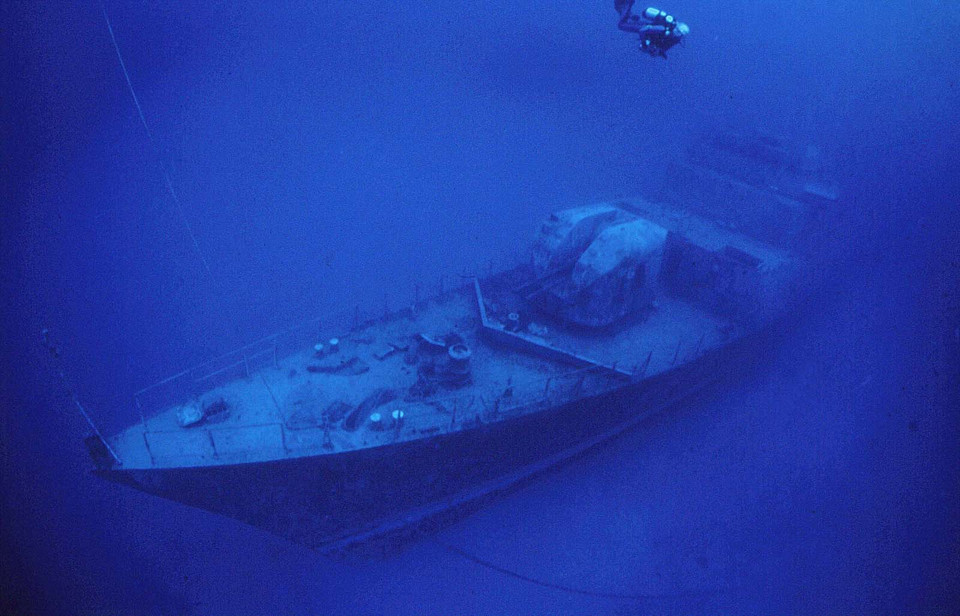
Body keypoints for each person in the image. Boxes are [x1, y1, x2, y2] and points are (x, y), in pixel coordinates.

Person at [616, 1, 689, 58]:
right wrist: (644, 43)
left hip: (649, 30)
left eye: (680, 34)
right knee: (621, 25)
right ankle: (629, 4)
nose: (678, 35)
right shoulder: (663, 29)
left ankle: (630, 14)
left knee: (629, 22)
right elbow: (643, 30)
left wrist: (657, 51)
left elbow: (664, 47)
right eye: (678, 32)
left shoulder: (675, 39)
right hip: (646, 28)